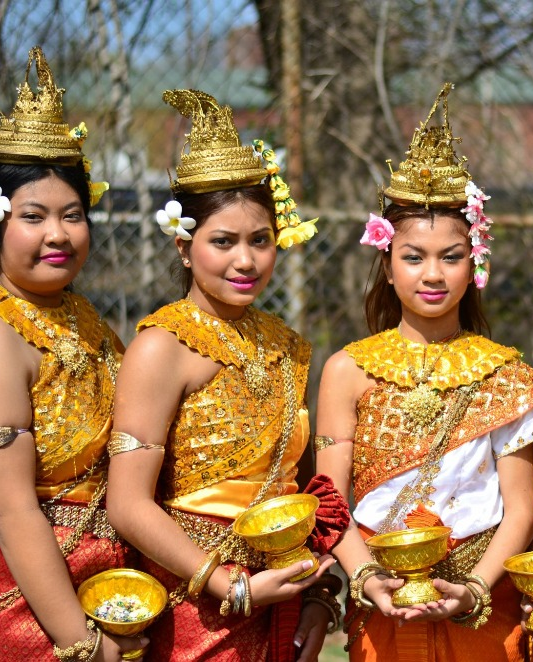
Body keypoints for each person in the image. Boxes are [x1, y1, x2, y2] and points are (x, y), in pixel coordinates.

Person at [314, 83, 533, 662]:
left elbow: (521, 506)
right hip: (382, 599)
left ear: (474, 262)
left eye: (451, 256)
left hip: (482, 602)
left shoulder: (504, 373)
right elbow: (329, 496)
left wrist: (477, 588)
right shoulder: (347, 370)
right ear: (387, 262)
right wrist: (367, 578)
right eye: (413, 256)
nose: (432, 273)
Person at [105, 89, 346, 662]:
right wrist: (229, 586)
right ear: (184, 247)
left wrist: (321, 597)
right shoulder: (160, 347)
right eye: (224, 242)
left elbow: (305, 489)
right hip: (194, 607)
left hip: (284, 595)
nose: (247, 261)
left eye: (260, 241)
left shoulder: (286, 345)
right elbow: (128, 504)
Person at [0, 46, 140, 661]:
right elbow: (11, 508)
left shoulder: (85, 319)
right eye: (34, 216)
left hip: (107, 589)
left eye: (72, 215)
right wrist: (82, 640)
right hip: (19, 602)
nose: (58, 234)